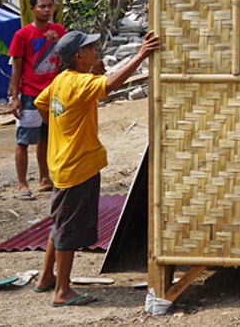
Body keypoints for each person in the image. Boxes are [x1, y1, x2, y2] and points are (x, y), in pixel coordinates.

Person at [32, 29, 161, 307]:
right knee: (68, 230)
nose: (96, 50)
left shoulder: (61, 81)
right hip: (78, 166)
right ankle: (62, 291)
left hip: (61, 163)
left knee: (60, 222)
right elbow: (110, 85)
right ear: (79, 57)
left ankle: (46, 278)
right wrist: (141, 54)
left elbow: (42, 105)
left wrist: (64, 125)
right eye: (90, 48)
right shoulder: (80, 83)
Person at [8, 0, 65, 200]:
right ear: (32, 9)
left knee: (47, 138)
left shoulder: (58, 31)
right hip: (30, 94)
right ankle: (22, 184)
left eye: (49, 6)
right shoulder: (22, 35)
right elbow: (16, 67)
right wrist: (15, 97)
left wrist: (58, 42)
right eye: (42, 6)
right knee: (24, 139)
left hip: (53, 93)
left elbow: (69, 57)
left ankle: (44, 178)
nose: (46, 10)